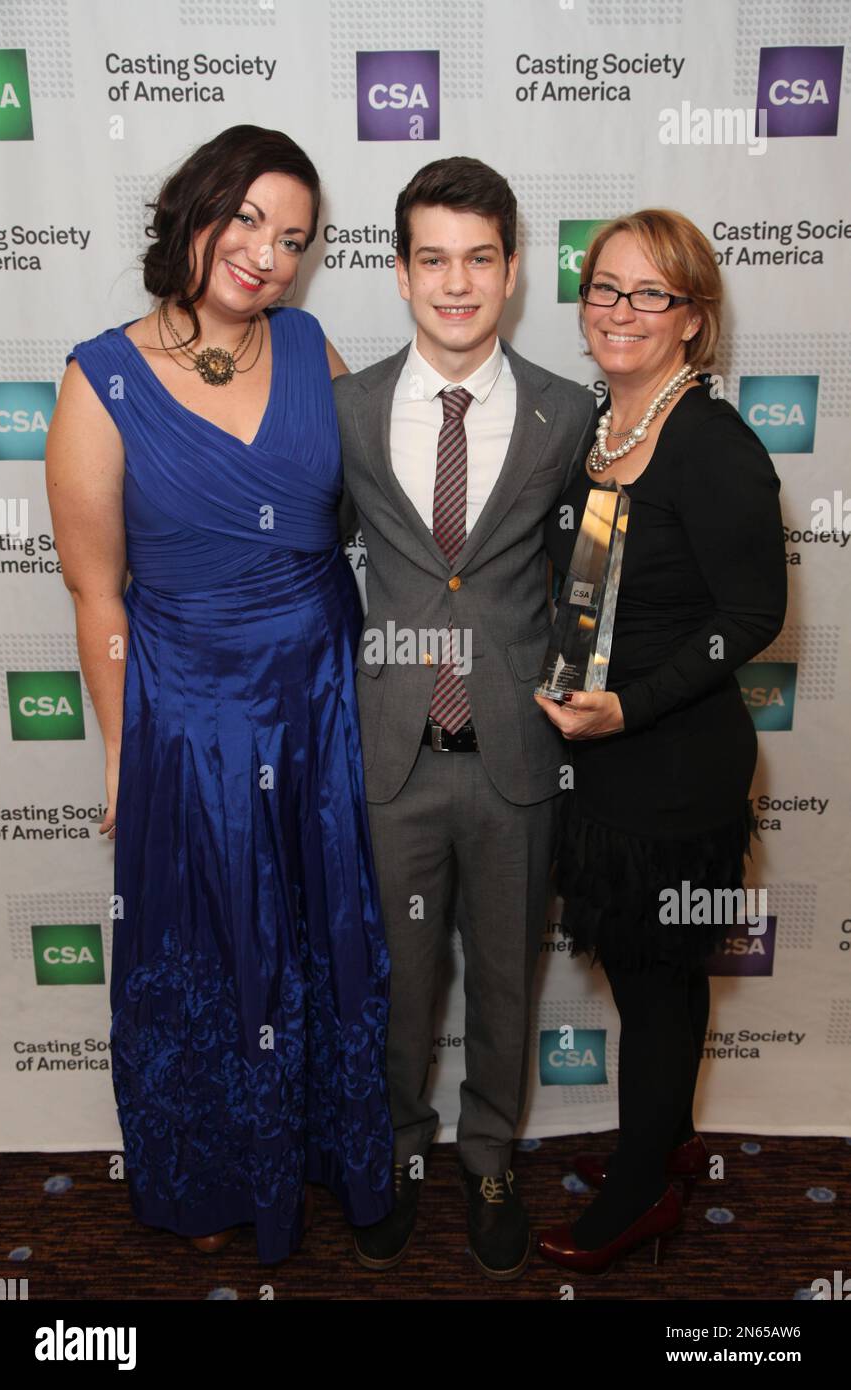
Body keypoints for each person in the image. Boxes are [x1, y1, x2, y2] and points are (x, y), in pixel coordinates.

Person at [45, 125, 393, 1264]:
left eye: (292, 237)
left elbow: (374, 522)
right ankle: (207, 1178)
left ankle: (320, 1156)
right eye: (247, 219)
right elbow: (100, 596)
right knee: (204, 950)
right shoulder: (101, 376)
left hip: (320, 695)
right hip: (188, 712)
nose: (268, 255)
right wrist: (117, 756)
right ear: (192, 213)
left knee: (317, 934)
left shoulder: (309, 348)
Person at [334, 157, 594, 1280]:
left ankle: (487, 1153)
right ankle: (395, 1151)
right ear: (397, 272)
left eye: (477, 259)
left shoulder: (566, 410)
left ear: (512, 269)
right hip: (390, 750)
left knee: (503, 978)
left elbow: (602, 572)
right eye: (431, 259)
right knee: (395, 980)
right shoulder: (341, 408)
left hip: (514, 755)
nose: (455, 283)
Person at [534, 209, 787, 1275]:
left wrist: (629, 709)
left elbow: (753, 611)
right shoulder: (600, 424)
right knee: (661, 974)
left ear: (692, 319)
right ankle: (664, 1145)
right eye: (603, 288)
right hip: (597, 754)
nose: (618, 311)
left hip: (670, 764)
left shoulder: (711, 441)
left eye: (650, 294)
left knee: (653, 978)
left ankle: (638, 1193)